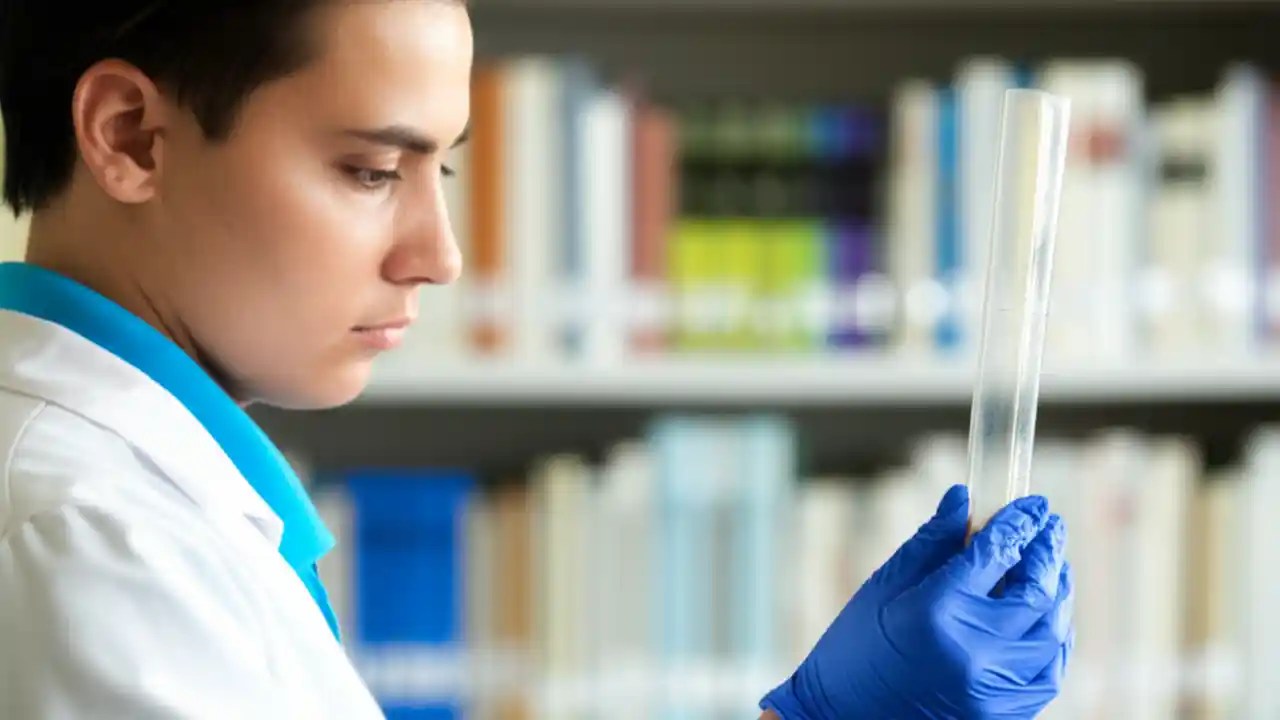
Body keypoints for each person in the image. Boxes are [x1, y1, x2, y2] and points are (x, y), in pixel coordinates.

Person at [0, 1, 1073, 718]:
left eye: (440, 173)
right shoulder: (88, 542)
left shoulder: (135, 504)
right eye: (372, 171)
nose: (440, 256)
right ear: (130, 135)